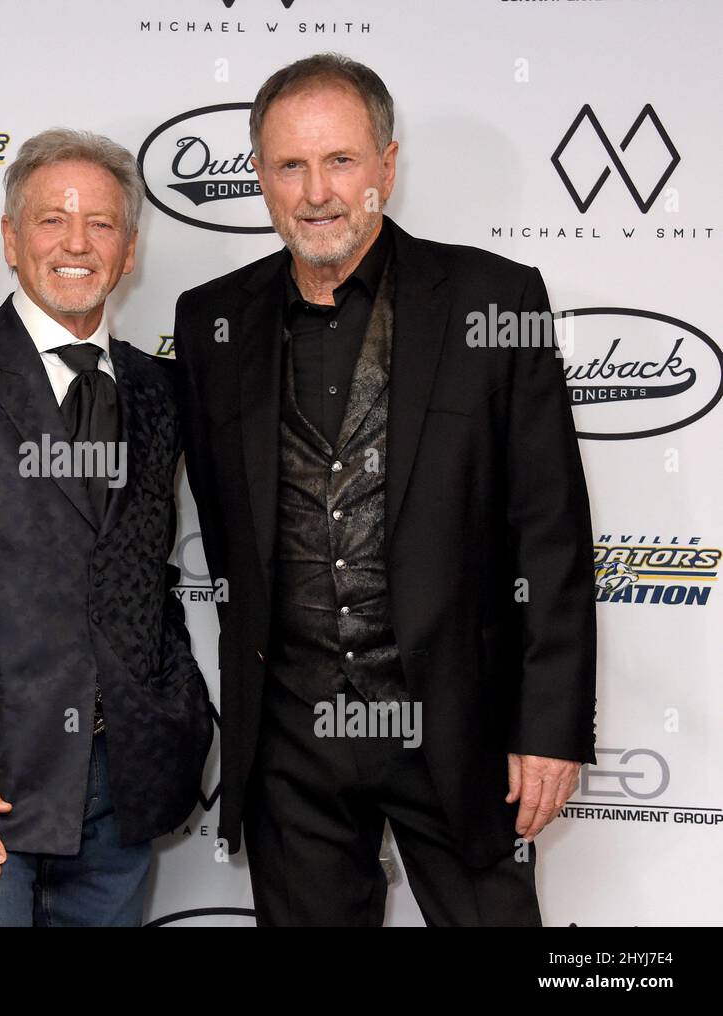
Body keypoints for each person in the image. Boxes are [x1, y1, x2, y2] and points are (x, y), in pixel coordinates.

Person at [173, 54, 597, 926]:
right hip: (292, 735)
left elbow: (550, 531)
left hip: (458, 723)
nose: (317, 190)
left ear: (387, 168)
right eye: (291, 165)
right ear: (259, 177)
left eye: (341, 161)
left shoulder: (495, 298)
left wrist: (549, 725)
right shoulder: (210, 320)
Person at [0, 128, 212, 927]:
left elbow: (144, 569)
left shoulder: (159, 392)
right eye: (53, 219)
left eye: (102, 224)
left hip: (123, 780)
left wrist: (172, 707)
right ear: (12, 241)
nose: (77, 243)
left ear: (129, 252)